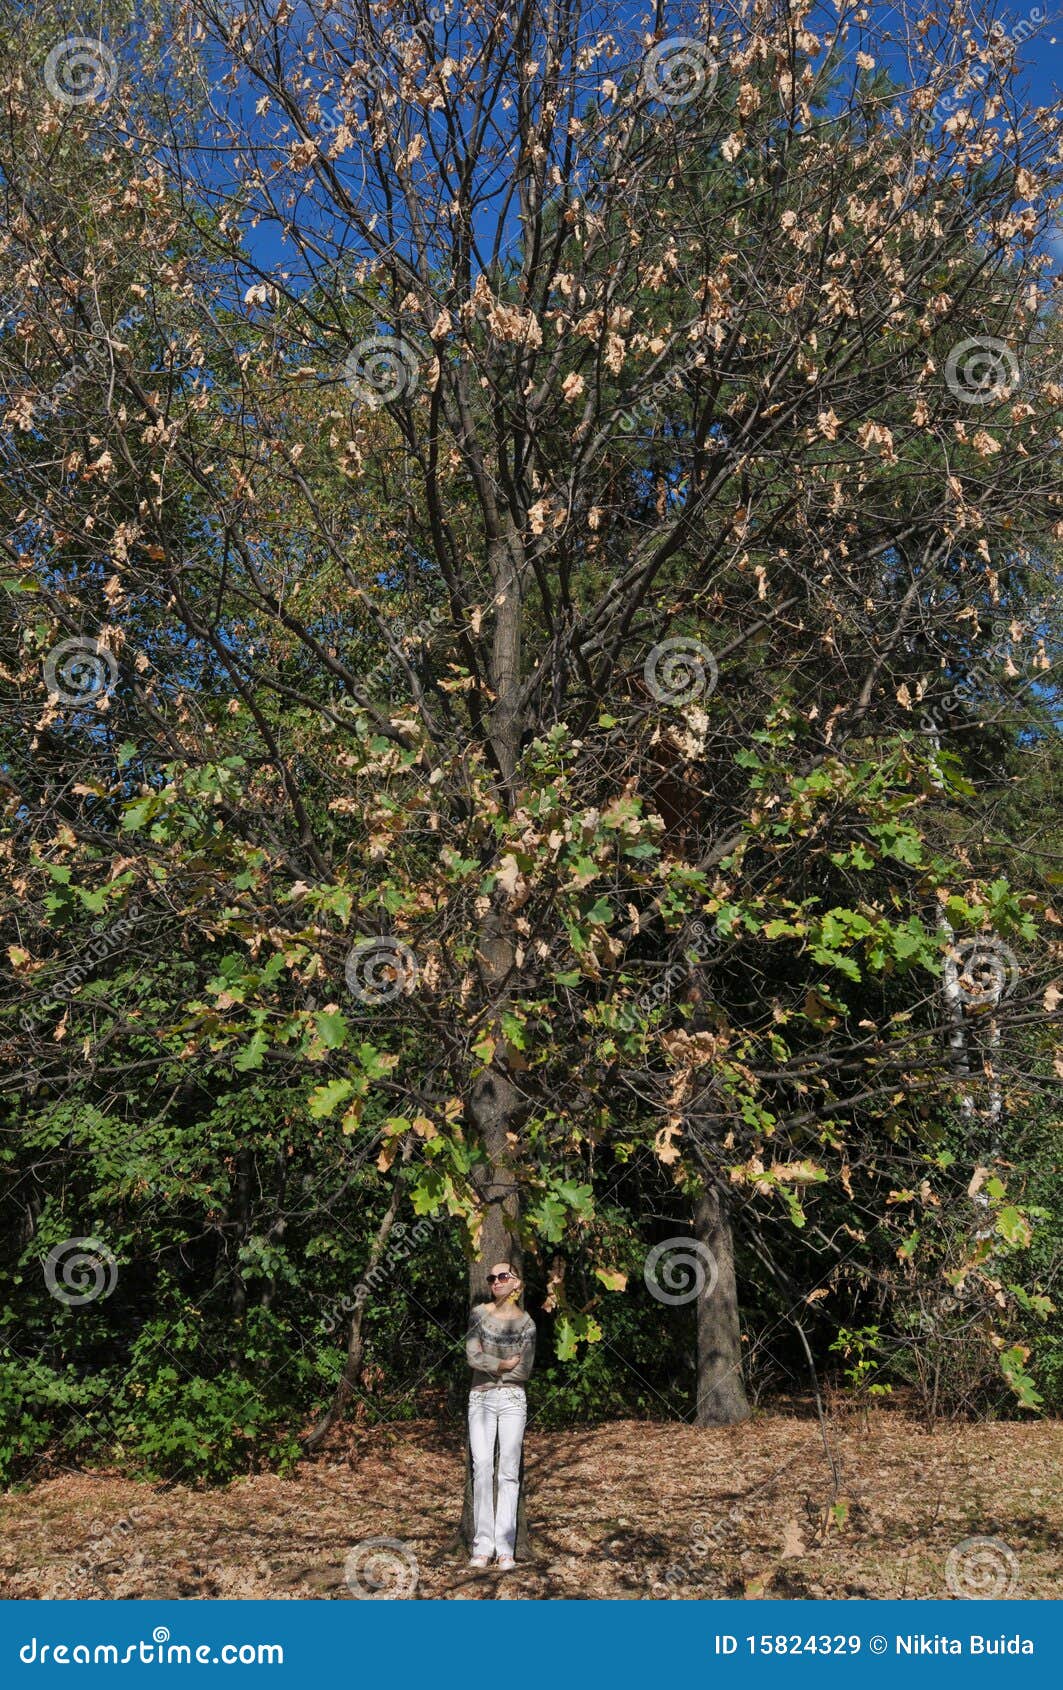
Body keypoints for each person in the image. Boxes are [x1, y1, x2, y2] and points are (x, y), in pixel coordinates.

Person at [465, 1260, 536, 1570]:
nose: (496, 1281)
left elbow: (525, 1369)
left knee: (507, 1471)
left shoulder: (527, 1324)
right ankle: (482, 1546)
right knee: (482, 1468)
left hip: (512, 1400)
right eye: (491, 1277)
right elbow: (471, 1355)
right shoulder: (479, 1315)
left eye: (502, 1276)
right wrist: (502, 1365)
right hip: (480, 1398)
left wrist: (494, 1364)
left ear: (516, 1283)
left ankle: (505, 1548)